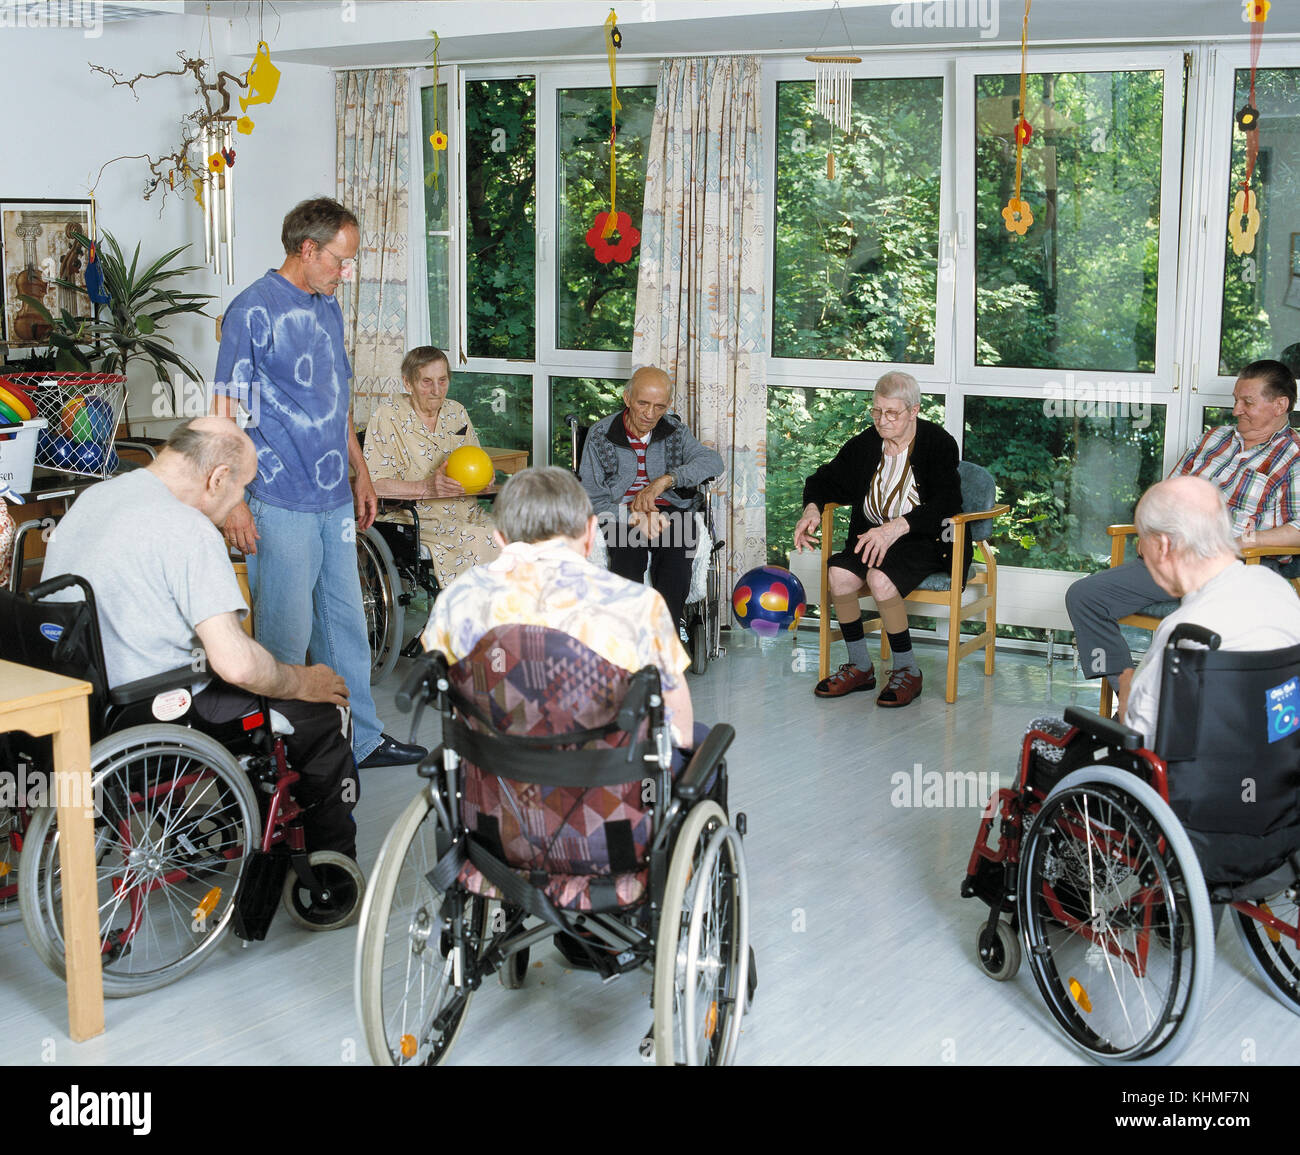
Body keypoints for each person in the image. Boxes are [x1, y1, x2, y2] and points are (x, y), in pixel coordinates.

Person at [40, 417, 360, 861]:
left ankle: (230, 816)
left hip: (81, 710)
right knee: (321, 710)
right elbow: (239, 665)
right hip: (153, 713)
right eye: (243, 488)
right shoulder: (186, 529)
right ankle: (331, 869)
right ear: (218, 478)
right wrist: (306, 681)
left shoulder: (94, 498)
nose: (240, 500)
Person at [212, 196, 424, 770]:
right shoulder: (252, 310)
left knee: (345, 625)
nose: (345, 272)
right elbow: (224, 410)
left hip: (333, 496)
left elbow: (337, 401)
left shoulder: (325, 303)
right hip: (278, 496)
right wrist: (232, 501)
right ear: (307, 250)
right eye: (339, 259)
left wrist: (362, 470)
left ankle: (361, 740)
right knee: (285, 633)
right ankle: (282, 752)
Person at [1066, 359, 1300, 721]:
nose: (1236, 409)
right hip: (1177, 557)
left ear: (1280, 405)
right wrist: (1151, 529)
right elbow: (1168, 494)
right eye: (1236, 400)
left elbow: (1298, 528)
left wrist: (1239, 543)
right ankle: (1127, 692)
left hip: (1240, 567)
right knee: (1085, 595)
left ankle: (1176, 713)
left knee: (1196, 632)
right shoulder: (1213, 439)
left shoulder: (1295, 456)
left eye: (1247, 402)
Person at [424, 465, 695, 749]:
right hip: (608, 782)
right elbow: (678, 724)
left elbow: (445, 695)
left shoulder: (458, 599)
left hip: (494, 778)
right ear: (591, 534)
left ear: (500, 540)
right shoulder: (638, 605)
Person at [793, 370, 965, 708]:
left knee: (880, 578)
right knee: (838, 575)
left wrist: (896, 528)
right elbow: (822, 479)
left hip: (923, 538)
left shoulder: (938, 444)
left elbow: (948, 505)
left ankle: (907, 670)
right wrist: (811, 509)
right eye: (876, 411)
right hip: (872, 535)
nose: (882, 421)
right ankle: (860, 666)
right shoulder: (866, 444)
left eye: (891, 413)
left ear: (913, 411)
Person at [1122, 476, 1300, 747]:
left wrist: (1126, 689)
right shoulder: (1280, 589)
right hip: (1277, 773)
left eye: (1141, 539)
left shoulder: (1184, 631)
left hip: (1189, 784)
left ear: (1162, 545)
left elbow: (1141, 738)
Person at [577, 366, 724, 629]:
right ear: (627, 399)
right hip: (620, 512)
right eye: (642, 403)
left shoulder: (675, 431)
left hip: (669, 510)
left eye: (659, 406)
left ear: (668, 405)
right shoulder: (600, 435)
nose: (649, 413)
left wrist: (665, 481)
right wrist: (633, 517)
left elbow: (712, 461)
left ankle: (666, 633)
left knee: (678, 551)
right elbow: (591, 500)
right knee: (628, 558)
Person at [362, 345, 499, 587]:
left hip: (465, 513)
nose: (436, 391)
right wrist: (426, 488)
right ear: (408, 383)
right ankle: (463, 617)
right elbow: (375, 484)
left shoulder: (456, 412)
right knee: (478, 538)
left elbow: (476, 463)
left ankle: (500, 615)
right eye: (426, 382)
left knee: (512, 534)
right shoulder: (387, 417)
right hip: (414, 520)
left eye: (442, 380)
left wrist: (484, 480)